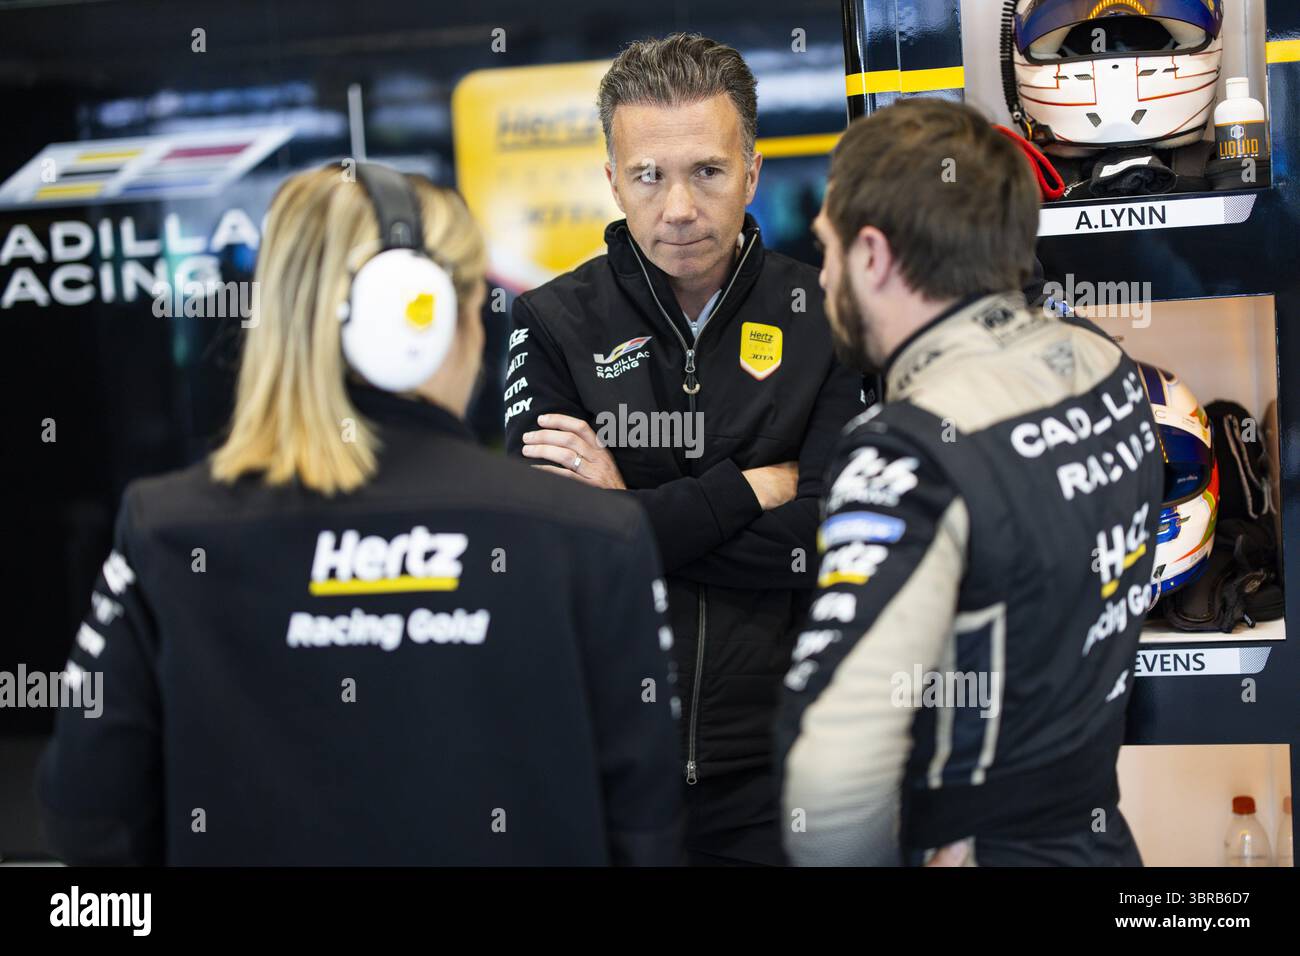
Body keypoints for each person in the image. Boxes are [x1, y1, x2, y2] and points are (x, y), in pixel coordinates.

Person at [37, 162, 682, 865]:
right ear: (427, 319)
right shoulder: (592, 534)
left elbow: (87, 821)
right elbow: (646, 832)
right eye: (470, 300)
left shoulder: (162, 530)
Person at [503, 34, 864, 866]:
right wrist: (746, 490)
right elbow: (558, 549)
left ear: (751, 172)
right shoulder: (552, 324)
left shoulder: (831, 316)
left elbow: (834, 541)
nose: (677, 209)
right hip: (606, 764)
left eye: (706, 171)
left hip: (788, 772)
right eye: (648, 176)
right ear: (612, 180)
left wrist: (626, 508)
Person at [777, 98, 1164, 867]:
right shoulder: (1108, 368)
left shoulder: (906, 455)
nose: (821, 280)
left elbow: (831, 770)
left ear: (875, 256)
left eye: (827, 251)